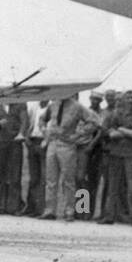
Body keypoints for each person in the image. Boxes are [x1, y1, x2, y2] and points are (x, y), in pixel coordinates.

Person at [97, 89, 132, 225]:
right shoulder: (115, 114)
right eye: (128, 97)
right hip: (115, 153)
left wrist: (122, 130)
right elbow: (108, 132)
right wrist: (129, 132)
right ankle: (109, 216)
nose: (130, 99)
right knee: (112, 187)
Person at [42, 93, 87, 221]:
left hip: (71, 145)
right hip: (53, 143)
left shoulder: (78, 107)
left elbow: (94, 123)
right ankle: (50, 210)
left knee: (72, 179)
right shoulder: (53, 105)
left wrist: (78, 135)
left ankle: (72, 211)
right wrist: (44, 130)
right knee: (51, 179)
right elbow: (42, 119)